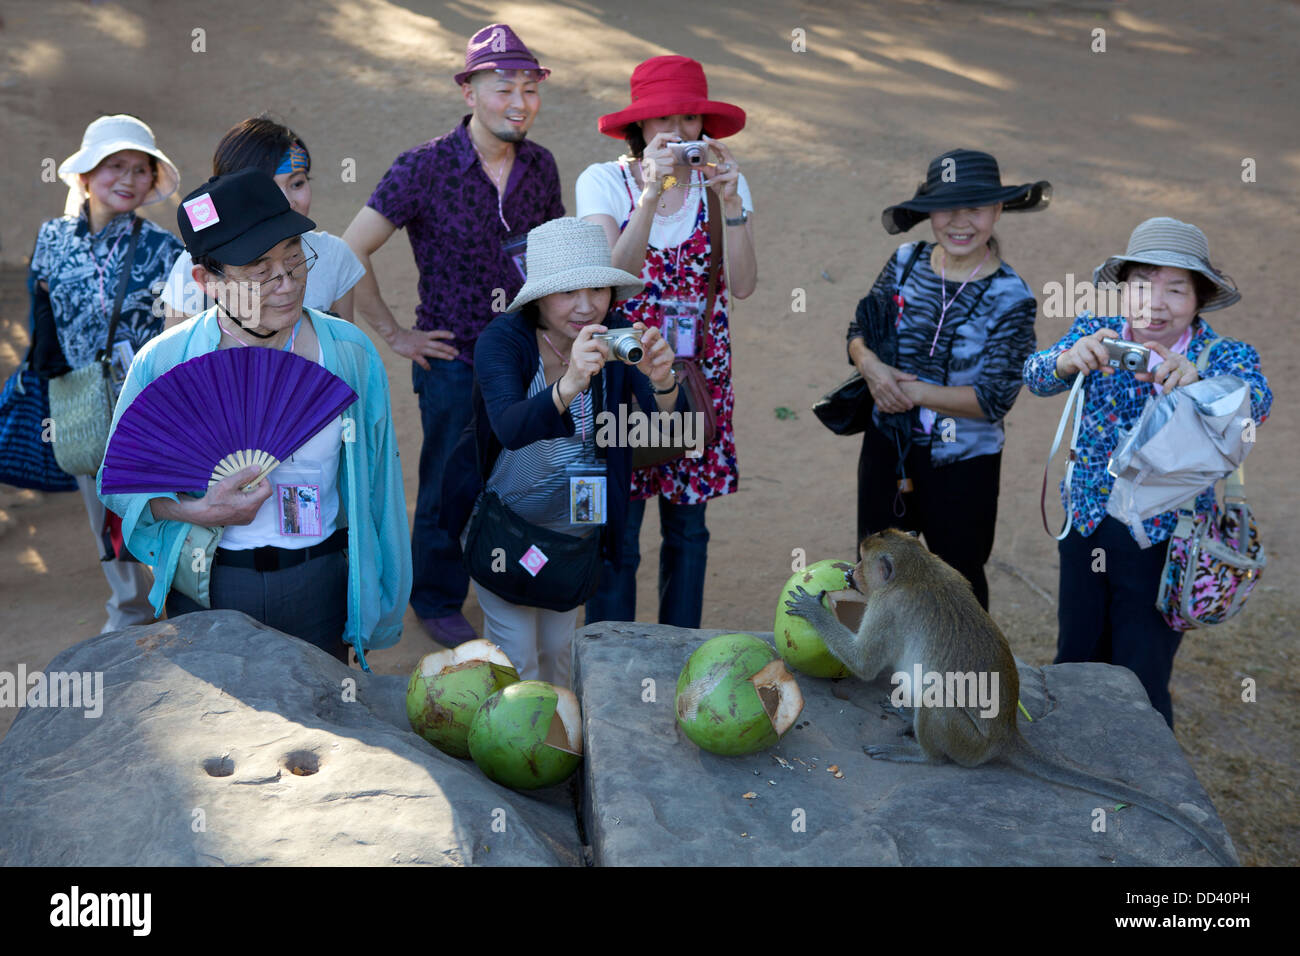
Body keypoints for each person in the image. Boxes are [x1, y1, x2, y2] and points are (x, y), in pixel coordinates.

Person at [98, 168, 411, 669]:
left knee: (322, 736)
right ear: (207, 280)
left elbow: (380, 487)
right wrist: (199, 512)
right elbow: (123, 486)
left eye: (294, 260)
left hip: (321, 584)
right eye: (260, 272)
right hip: (213, 584)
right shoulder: (164, 362)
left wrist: (376, 603)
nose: (286, 285)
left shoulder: (349, 353)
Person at [343, 23, 564, 648]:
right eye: (503, 88)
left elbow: (549, 259)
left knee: (524, 478)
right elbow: (351, 249)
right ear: (468, 90)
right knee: (450, 481)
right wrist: (395, 335)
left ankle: (516, 585)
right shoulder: (423, 167)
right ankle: (436, 598)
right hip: (453, 360)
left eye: (529, 88)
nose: (519, 102)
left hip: (526, 354)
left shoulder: (541, 165)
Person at [1023, 217, 1272, 727]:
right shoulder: (1096, 331)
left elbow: (1255, 403)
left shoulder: (1223, 356)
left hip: (1167, 538)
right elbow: (1035, 374)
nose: (1155, 304)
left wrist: (1199, 382)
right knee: (1076, 650)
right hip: (1087, 525)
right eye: (1142, 285)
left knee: (1143, 667)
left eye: (1175, 289)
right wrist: (1069, 359)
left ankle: (1146, 780)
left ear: (1199, 299)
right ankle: (1066, 753)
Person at [440, 218, 687, 685]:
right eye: (567, 292)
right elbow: (511, 428)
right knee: (516, 655)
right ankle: (518, 746)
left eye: (597, 288)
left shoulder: (614, 334)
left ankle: (561, 741)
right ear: (537, 297)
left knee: (559, 649)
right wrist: (571, 382)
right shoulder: (503, 340)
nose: (586, 305)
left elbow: (671, 428)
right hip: (504, 524)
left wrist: (663, 381)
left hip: (576, 529)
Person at [577, 55, 757, 629]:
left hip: (696, 379)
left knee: (688, 529)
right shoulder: (602, 180)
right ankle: (610, 656)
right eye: (661, 120)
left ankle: (681, 653)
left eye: (688, 119)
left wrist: (732, 206)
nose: (676, 132)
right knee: (619, 533)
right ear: (638, 127)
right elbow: (612, 277)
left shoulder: (722, 182)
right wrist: (651, 193)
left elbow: (745, 286)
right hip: (624, 377)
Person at [848, 148, 1048, 610]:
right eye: (947, 209)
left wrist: (909, 392)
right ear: (929, 214)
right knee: (877, 569)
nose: (961, 223)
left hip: (963, 463)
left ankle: (960, 676)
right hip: (888, 447)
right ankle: (877, 674)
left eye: (976, 208)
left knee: (957, 580)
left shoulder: (1011, 297)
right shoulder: (904, 262)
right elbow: (860, 329)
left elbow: (995, 398)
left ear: (998, 211)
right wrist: (871, 368)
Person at [30, 113, 184, 632]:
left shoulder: (165, 249)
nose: (128, 178)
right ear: (86, 175)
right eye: (114, 166)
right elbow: (43, 306)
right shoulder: (52, 237)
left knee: (160, 502)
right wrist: (46, 376)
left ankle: (179, 603)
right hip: (79, 396)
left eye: (140, 169)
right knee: (102, 510)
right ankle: (129, 608)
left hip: (148, 400)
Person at [158, 114, 365, 325]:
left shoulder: (335, 254)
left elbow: (343, 345)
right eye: (260, 271)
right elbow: (176, 348)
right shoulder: (199, 261)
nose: (287, 202)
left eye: (297, 184)